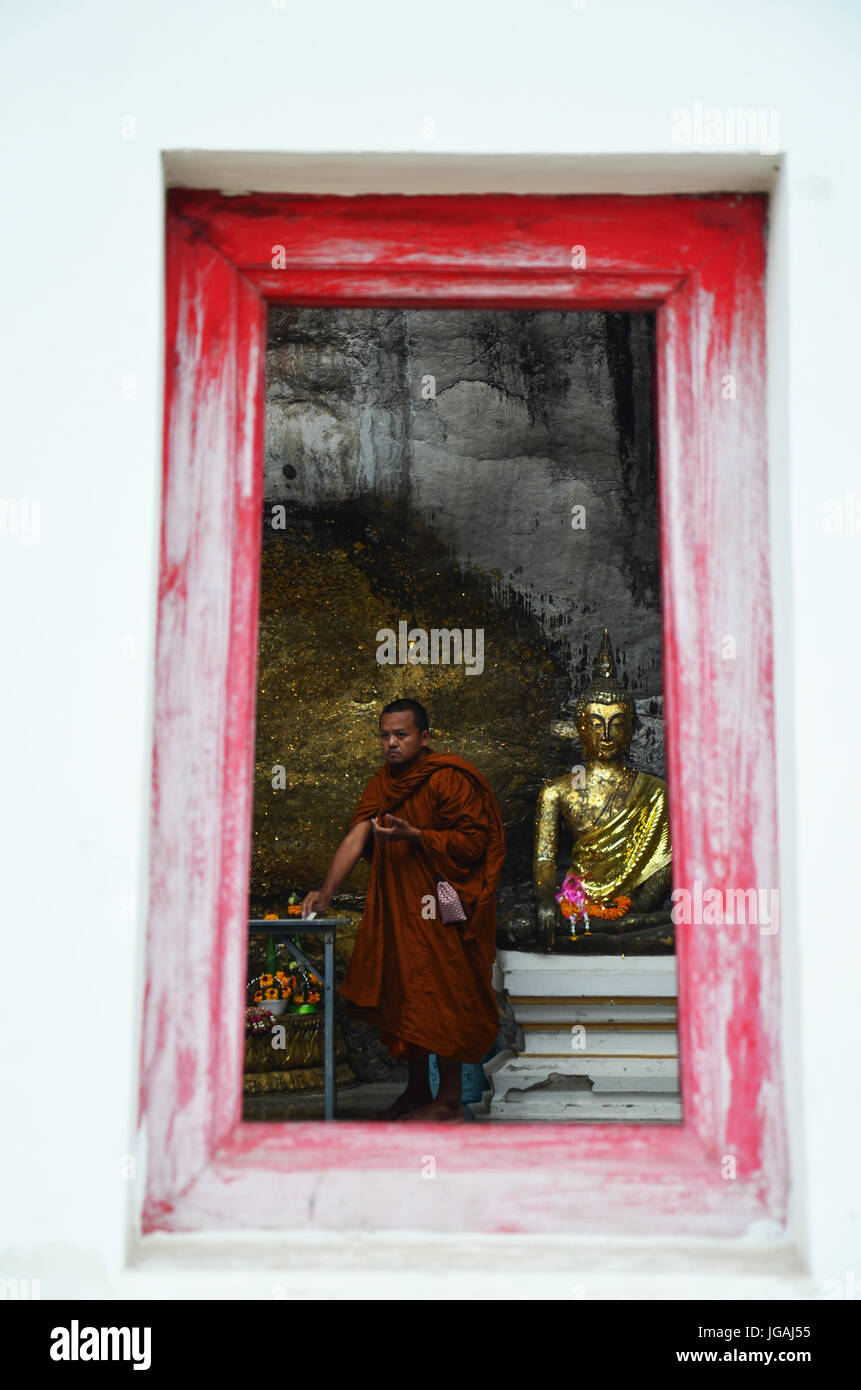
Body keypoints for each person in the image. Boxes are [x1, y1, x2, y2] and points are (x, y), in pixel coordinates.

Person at [302, 698, 505, 1122]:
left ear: (424, 737)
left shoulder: (448, 778)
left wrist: (418, 836)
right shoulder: (383, 783)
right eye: (385, 735)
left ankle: (448, 1099)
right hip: (399, 909)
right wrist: (326, 891)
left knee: (444, 990)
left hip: (445, 902)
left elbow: (474, 843)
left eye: (401, 735)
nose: (391, 743)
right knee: (406, 993)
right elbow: (357, 836)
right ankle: (417, 1090)